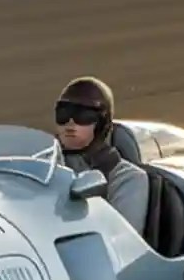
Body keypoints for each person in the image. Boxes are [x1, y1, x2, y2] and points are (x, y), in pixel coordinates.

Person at [54, 76, 150, 235]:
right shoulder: (45, 168)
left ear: (102, 123)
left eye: (84, 115)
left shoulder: (127, 179)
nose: (70, 123)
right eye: (63, 113)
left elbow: (123, 244)